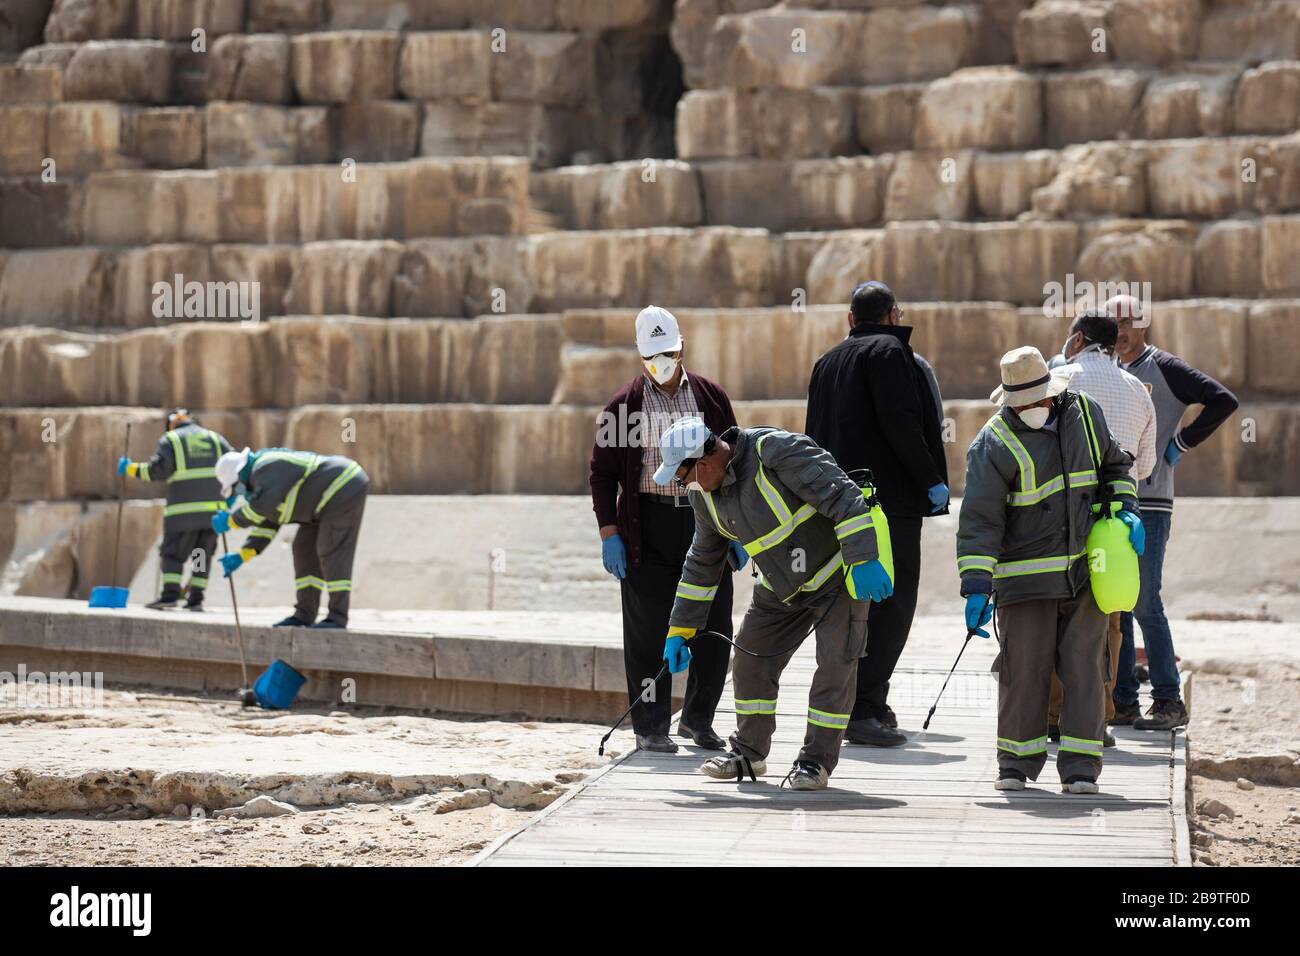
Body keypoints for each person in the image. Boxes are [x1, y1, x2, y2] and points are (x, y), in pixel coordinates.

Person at [655, 416, 893, 791]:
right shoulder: (703, 497)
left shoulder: (775, 451)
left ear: (704, 462)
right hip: (779, 589)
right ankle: (748, 754)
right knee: (750, 661)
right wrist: (680, 629)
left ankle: (815, 762)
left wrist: (863, 558)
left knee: (835, 668)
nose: (684, 486)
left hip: (837, 577)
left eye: (683, 477)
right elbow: (701, 563)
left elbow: (843, 497)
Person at [957, 347, 1142, 793]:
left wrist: (1124, 506)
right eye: (1021, 404)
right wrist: (977, 584)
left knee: (1085, 670)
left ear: (1051, 393)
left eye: (1037, 401)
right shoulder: (992, 443)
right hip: (1024, 581)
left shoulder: (1085, 415)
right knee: (1023, 671)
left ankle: (1080, 768)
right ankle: (1015, 764)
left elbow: (1115, 466)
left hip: (1085, 573)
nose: (1031, 409)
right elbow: (980, 520)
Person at [804, 281, 949, 747]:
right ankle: (862, 708)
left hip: (835, 506)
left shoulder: (826, 362)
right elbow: (901, 421)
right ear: (893, 315)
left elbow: (813, 437)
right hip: (886, 506)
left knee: (849, 605)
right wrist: (930, 479)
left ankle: (863, 701)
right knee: (891, 602)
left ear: (851, 318)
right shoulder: (891, 353)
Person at [588, 306, 738, 753]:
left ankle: (698, 720)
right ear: (640, 357)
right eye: (652, 357)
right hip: (647, 526)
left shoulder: (710, 397)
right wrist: (610, 534)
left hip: (704, 519)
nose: (662, 363)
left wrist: (738, 530)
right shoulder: (622, 407)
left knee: (714, 624)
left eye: (668, 353)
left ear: (682, 348)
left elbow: (734, 459)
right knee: (648, 631)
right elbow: (602, 475)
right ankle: (651, 726)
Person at [1108, 294, 1239, 730]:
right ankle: (1123, 700)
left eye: (1127, 321)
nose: (1120, 330)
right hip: (1114, 502)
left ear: (1143, 323)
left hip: (1150, 502)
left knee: (1146, 602)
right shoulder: (1111, 369)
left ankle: (1168, 701)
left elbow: (1222, 400)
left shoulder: (1164, 367)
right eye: (1113, 322)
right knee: (1118, 604)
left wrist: (1181, 443)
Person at [1046, 310, 1157, 746]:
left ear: (1077, 340)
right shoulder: (1138, 390)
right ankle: (1101, 715)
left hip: (1061, 516)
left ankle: (1055, 715)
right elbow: (1143, 467)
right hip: (1117, 521)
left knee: (1059, 614)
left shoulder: (1059, 379)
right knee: (1108, 619)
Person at [212, 446, 368, 629]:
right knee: (303, 549)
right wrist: (242, 555)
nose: (239, 492)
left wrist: (232, 520)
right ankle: (304, 614)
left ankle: (337, 617)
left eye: (236, 488)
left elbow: (262, 508)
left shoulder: (266, 466)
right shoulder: (261, 487)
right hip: (318, 507)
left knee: (331, 548)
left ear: (240, 474)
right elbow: (267, 524)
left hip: (343, 486)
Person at [117, 409, 232, 610]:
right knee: (200, 553)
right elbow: (234, 467)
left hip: (183, 512)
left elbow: (157, 471)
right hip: (213, 513)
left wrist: (130, 468)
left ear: (172, 424)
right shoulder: (216, 439)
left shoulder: (171, 439)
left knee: (172, 554)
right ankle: (196, 598)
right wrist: (230, 501)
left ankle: (169, 595)